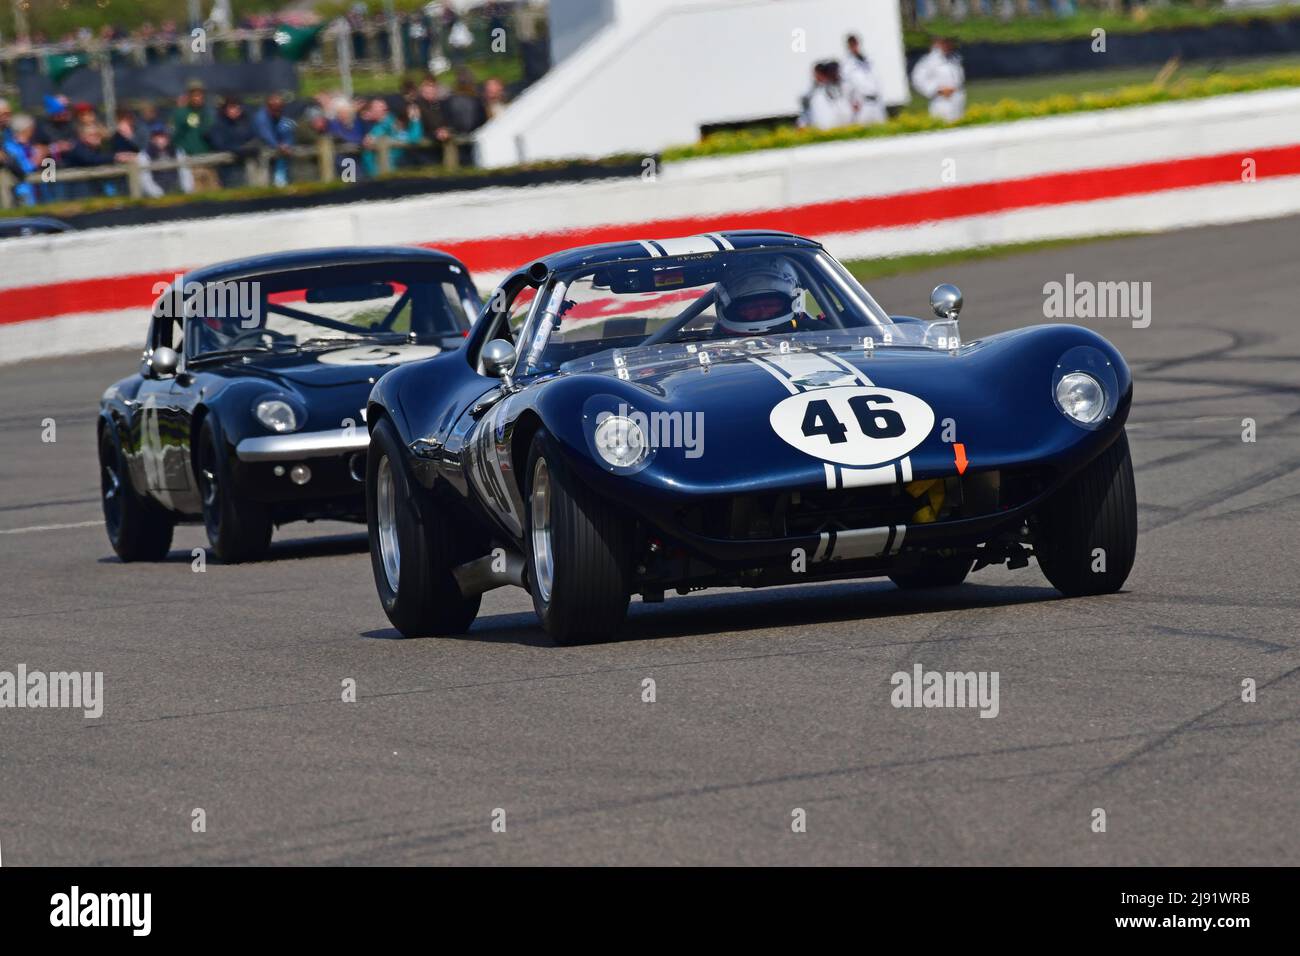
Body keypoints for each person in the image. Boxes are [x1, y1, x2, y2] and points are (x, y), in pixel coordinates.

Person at [712, 256, 815, 338]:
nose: (763, 312)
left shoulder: (817, 330)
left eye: (771, 304)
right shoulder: (717, 341)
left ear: (790, 302)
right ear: (733, 311)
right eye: (750, 307)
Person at [911, 36, 965, 122]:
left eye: (950, 42)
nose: (949, 45)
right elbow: (918, 80)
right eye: (945, 42)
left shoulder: (954, 58)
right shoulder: (929, 60)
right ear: (937, 43)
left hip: (957, 100)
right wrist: (938, 90)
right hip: (941, 102)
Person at [208, 97, 258, 186]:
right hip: (226, 166)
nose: (235, 110)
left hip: (245, 164)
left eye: (237, 107)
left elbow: (254, 138)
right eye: (232, 108)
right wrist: (239, 150)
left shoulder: (245, 122)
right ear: (225, 109)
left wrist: (249, 148)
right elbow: (220, 145)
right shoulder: (218, 124)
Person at [253, 93, 296, 187]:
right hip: (262, 149)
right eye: (274, 108)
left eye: (280, 107)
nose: (278, 110)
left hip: (280, 151)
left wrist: (287, 144)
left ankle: (281, 183)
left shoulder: (283, 115)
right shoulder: (261, 117)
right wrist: (278, 146)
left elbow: (288, 131)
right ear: (268, 107)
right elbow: (266, 135)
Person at [842, 34, 886, 126]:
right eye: (852, 44)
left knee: (882, 129)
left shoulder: (868, 59)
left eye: (856, 43)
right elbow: (847, 86)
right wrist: (851, 102)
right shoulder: (847, 64)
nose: (855, 46)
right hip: (862, 104)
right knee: (862, 131)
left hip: (876, 101)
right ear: (849, 46)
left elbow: (876, 80)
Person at [138, 127, 194, 198]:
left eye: (163, 136)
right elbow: (146, 180)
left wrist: (187, 192)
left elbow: (185, 173)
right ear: (152, 139)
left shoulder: (177, 152)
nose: (161, 140)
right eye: (157, 136)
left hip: (177, 192)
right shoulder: (144, 155)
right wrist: (159, 196)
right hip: (155, 198)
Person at [798, 61, 853, 130]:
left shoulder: (833, 89)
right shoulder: (811, 92)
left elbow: (841, 109)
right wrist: (801, 124)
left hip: (834, 126)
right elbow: (805, 111)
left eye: (819, 74)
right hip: (818, 128)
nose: (817, 77)